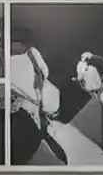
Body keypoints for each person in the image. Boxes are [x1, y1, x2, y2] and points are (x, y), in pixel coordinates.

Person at [7, 26, 68, 165]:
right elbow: (43, 71)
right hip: (35, 101)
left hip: (29, 102)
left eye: (17, 43)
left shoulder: (13, 61)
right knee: (36, 127)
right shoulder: (31, 53)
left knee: (32, 129)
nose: (14, 46)